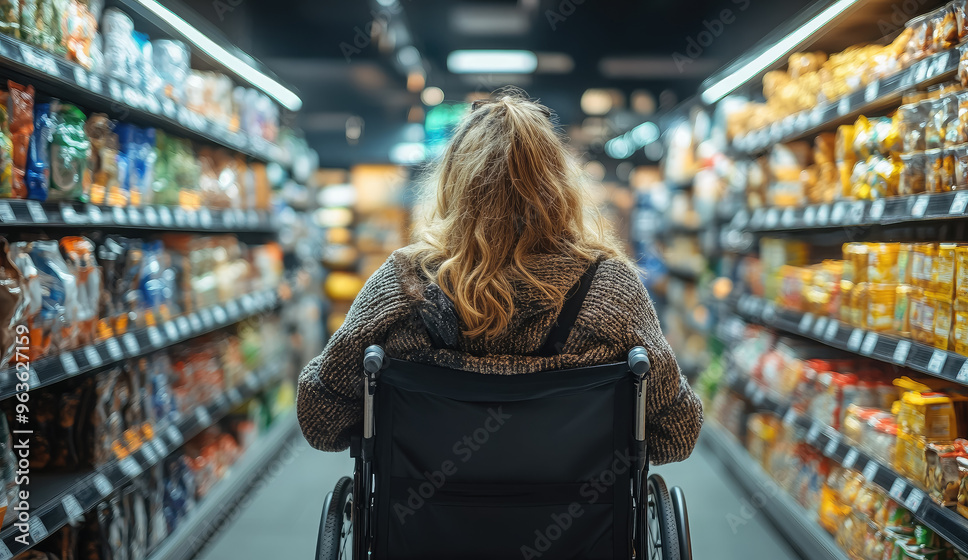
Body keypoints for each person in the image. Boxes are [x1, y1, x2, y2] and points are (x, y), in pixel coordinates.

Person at [296, 90, 703, 464]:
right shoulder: (611, 289)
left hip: (423, 530)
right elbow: (676, 434)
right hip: (578, 532)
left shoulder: (402, 284)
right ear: (559, 185)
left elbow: (321, 419)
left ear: (453, 185)